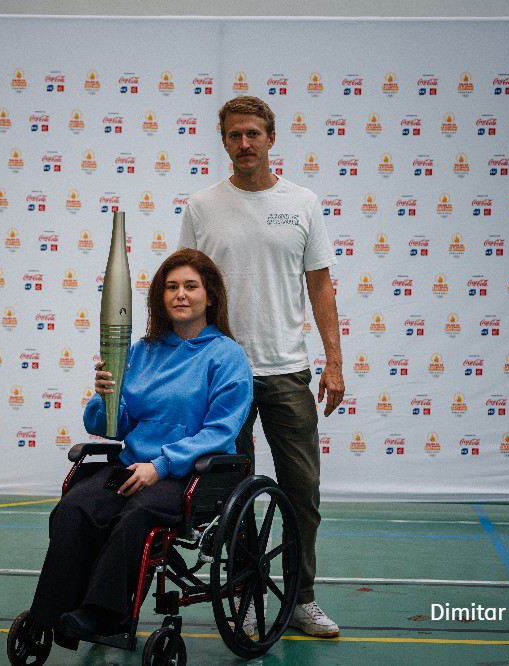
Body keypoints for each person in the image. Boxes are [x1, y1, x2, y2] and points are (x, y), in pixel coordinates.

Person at [178, 95, 345, 638]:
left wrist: (334, 364)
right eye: (234, 136)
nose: (244, 144)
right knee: (234, 497)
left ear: (271, 138)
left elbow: (320, 285)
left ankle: (301, 599)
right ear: (223, 141)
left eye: (253, 134)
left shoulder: (302, 203)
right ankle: (248, 593)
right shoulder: (202, 206)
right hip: (222, 375)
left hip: (288, 371)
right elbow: (185, 287)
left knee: (303, 493)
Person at [28, 248, 253, 641]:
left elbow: (220, 432)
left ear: (210, 297)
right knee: (74, 507)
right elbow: (114, 426)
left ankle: (104, 616)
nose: (180, 294)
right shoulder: (143, 351)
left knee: (136, 514)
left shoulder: (226, 356)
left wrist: (161, 466)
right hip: (133, 465)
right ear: (160, 297)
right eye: (171, 287)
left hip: (189, 474)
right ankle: (54, 614)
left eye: (190, 286)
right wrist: (104, 397)